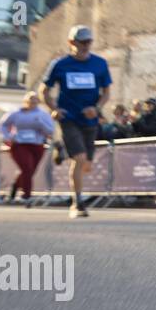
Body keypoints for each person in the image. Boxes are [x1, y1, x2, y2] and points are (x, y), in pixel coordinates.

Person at [39, 25, 112, 219]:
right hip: (68, 118)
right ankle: (77, 203)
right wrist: (54, 109)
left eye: (89, 41)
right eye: (82, 42)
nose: (86, 45)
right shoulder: (60, 64)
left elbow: (106, 93)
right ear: (72, 42)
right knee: (79, 160)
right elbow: (44, 91)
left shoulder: (100, 64)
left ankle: (62, 147)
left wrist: (96, 109)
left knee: (86, 164)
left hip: (90, 119)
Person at [0, 92, 54, 204]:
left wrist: (40, 124)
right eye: (30, 99)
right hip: (19, 145)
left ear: (38, 102)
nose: (32, 102)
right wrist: (8, 137)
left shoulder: (43, 115)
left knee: (30, 170)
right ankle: (26, 195)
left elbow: (50, 131)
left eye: (35, 100)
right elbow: (2, 125)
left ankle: (14, 187)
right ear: (25, 101)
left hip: (37, 145)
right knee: (27, 168)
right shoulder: (16, 113)